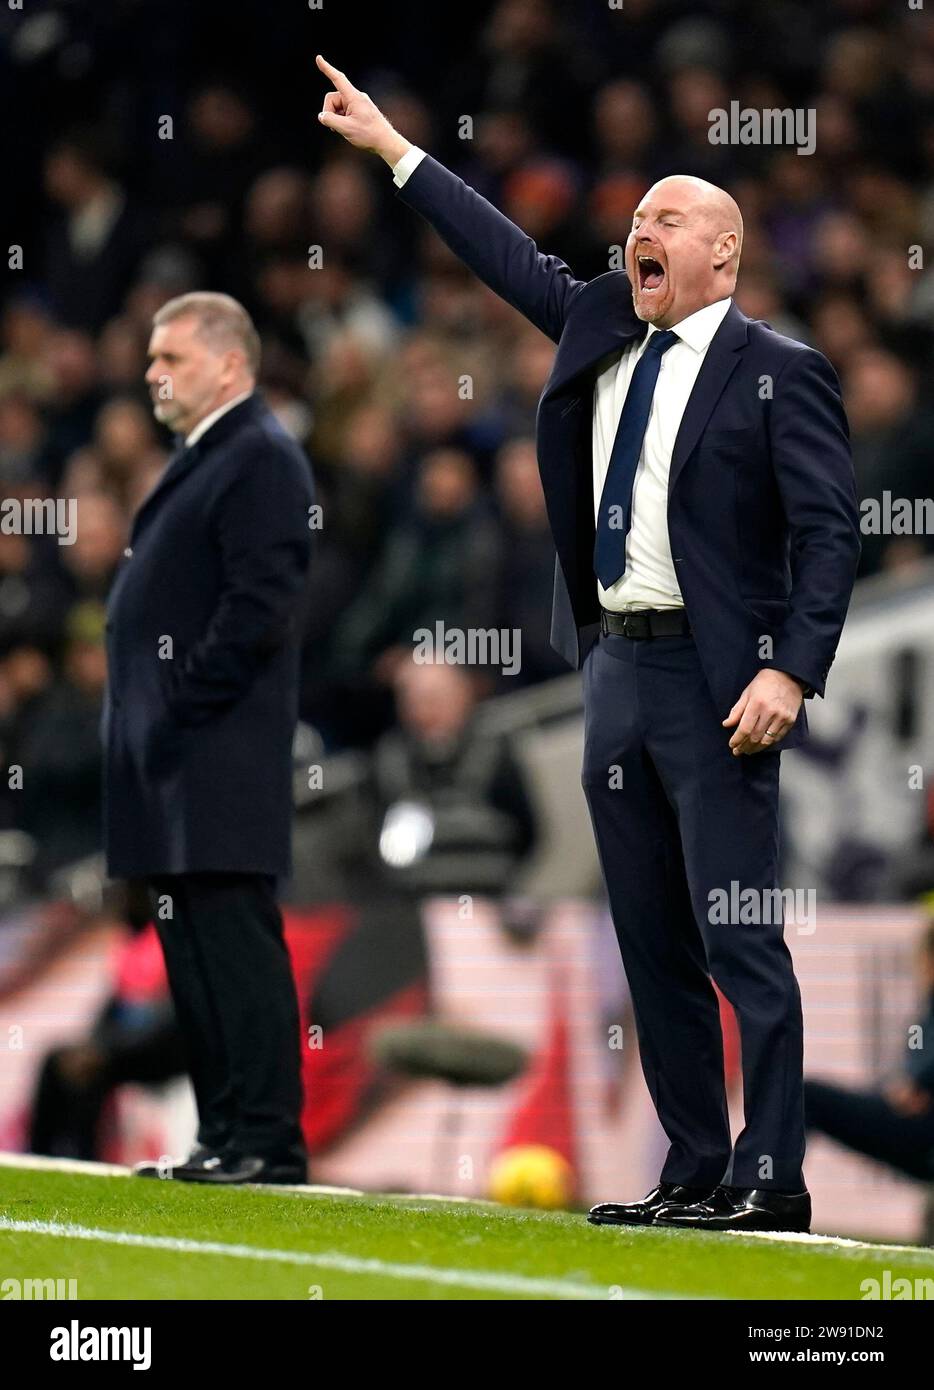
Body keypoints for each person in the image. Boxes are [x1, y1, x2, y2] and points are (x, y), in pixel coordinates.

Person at [316, 55, 861, 1232]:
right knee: (650, 938)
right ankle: (695, 1166)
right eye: (631, 221)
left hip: (721, 682)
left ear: (725, 253)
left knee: (736, 932)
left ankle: (773, 1175)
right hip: (616, 670)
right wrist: (392, 150)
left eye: (666, 217)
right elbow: (501, 248)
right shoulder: (602, 324)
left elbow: (830, 535)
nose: (638, 232)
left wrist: (789, 666)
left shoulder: (781, 372)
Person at [104, 291, 315, 1184]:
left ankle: (266, 1136)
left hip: (217, 749)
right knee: (189, 946)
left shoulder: (260, 456)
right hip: (175, 756)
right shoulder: (209, 456)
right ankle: (224, 1130)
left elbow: (257, 610)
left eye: (172, 358)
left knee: (234, 940)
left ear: (231, 364)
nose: (152, 373)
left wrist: (179, 705)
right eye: (151, 358)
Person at [805, 921, 934, 1183]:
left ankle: (767, 1188)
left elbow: (910, 1090)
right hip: (911, 1118)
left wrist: (918, 1084)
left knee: (805, 1096)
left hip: (919, 1124)